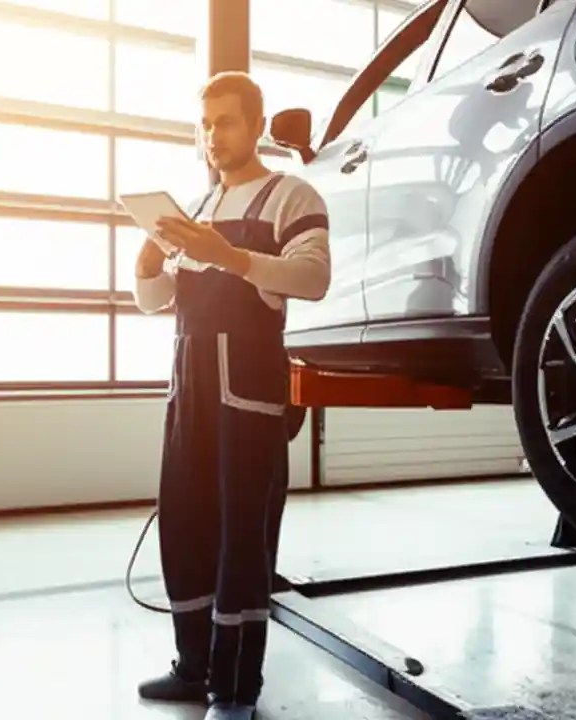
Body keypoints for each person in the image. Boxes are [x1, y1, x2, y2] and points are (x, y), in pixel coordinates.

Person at [132, 71, 332, 720]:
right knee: (185, 529)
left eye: (226, 122)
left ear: (255, 124)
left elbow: (313, 277)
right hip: (187, 393)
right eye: (206, 124)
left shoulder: (289, 195)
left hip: (247, 393)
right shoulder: (194, 207)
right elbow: (157, 301)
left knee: (240, 540)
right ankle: (194, 669)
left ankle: (236, 688)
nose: (213, 136)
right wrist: (147, 262)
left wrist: (228, 256)